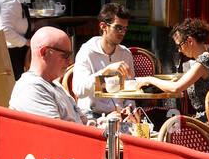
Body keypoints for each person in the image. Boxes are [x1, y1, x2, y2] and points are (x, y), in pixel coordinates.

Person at [11, 27, 141, 127]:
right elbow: (59, 135)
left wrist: (105, 122)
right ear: (44, 52)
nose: (69, 62)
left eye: (125, 28)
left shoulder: (55, 85)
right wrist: (104, 73)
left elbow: (81, 121)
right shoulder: (31, 89)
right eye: (65, 56)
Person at [148, 17, 209, 122]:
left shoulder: (203, 62)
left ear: (190, 40)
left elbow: (176, 88)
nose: (179, 50)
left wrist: (149, 79)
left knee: (153, 115)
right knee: (160, 113)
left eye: (179, 45)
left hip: (206, 122)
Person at [71, 2, 136, 116]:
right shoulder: (87, 51)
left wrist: (129, 107)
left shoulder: (126, 54)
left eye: (125, 29)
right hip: (92, 114)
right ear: (103, 26)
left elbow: (130, 89)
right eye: (118, 27)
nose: (122, 32)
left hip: (119, 115)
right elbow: (79, 90)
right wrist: (106, 71)